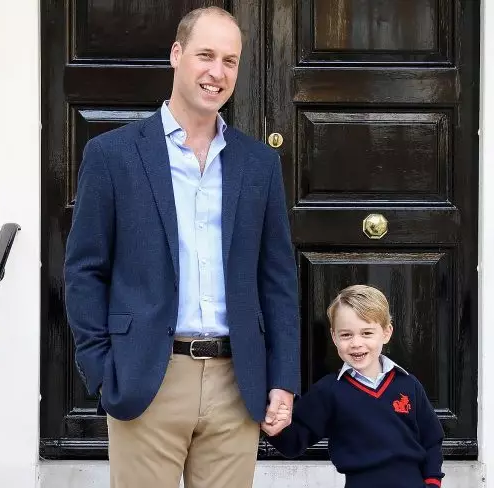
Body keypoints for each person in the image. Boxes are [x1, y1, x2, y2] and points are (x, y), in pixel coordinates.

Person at [64, 6, 299, 488]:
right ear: (177, 54)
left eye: (230, 61)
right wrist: (102, 370)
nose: (217, 72)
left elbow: (277, 280)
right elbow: (84, 270)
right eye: (206, 55)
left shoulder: (259, 164)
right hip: (147, 375)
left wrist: (283, 379)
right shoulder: (112, 156)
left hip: (238, 381)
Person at [262, 285, 444, 488]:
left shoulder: (408, 385)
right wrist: (275, 428)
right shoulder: (329, 391)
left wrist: (432, 482)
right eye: (346, 335)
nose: (356, 343)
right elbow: (294, 441)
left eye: (366, 333)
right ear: (334, 336)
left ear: (386, 332)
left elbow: (432, 440)